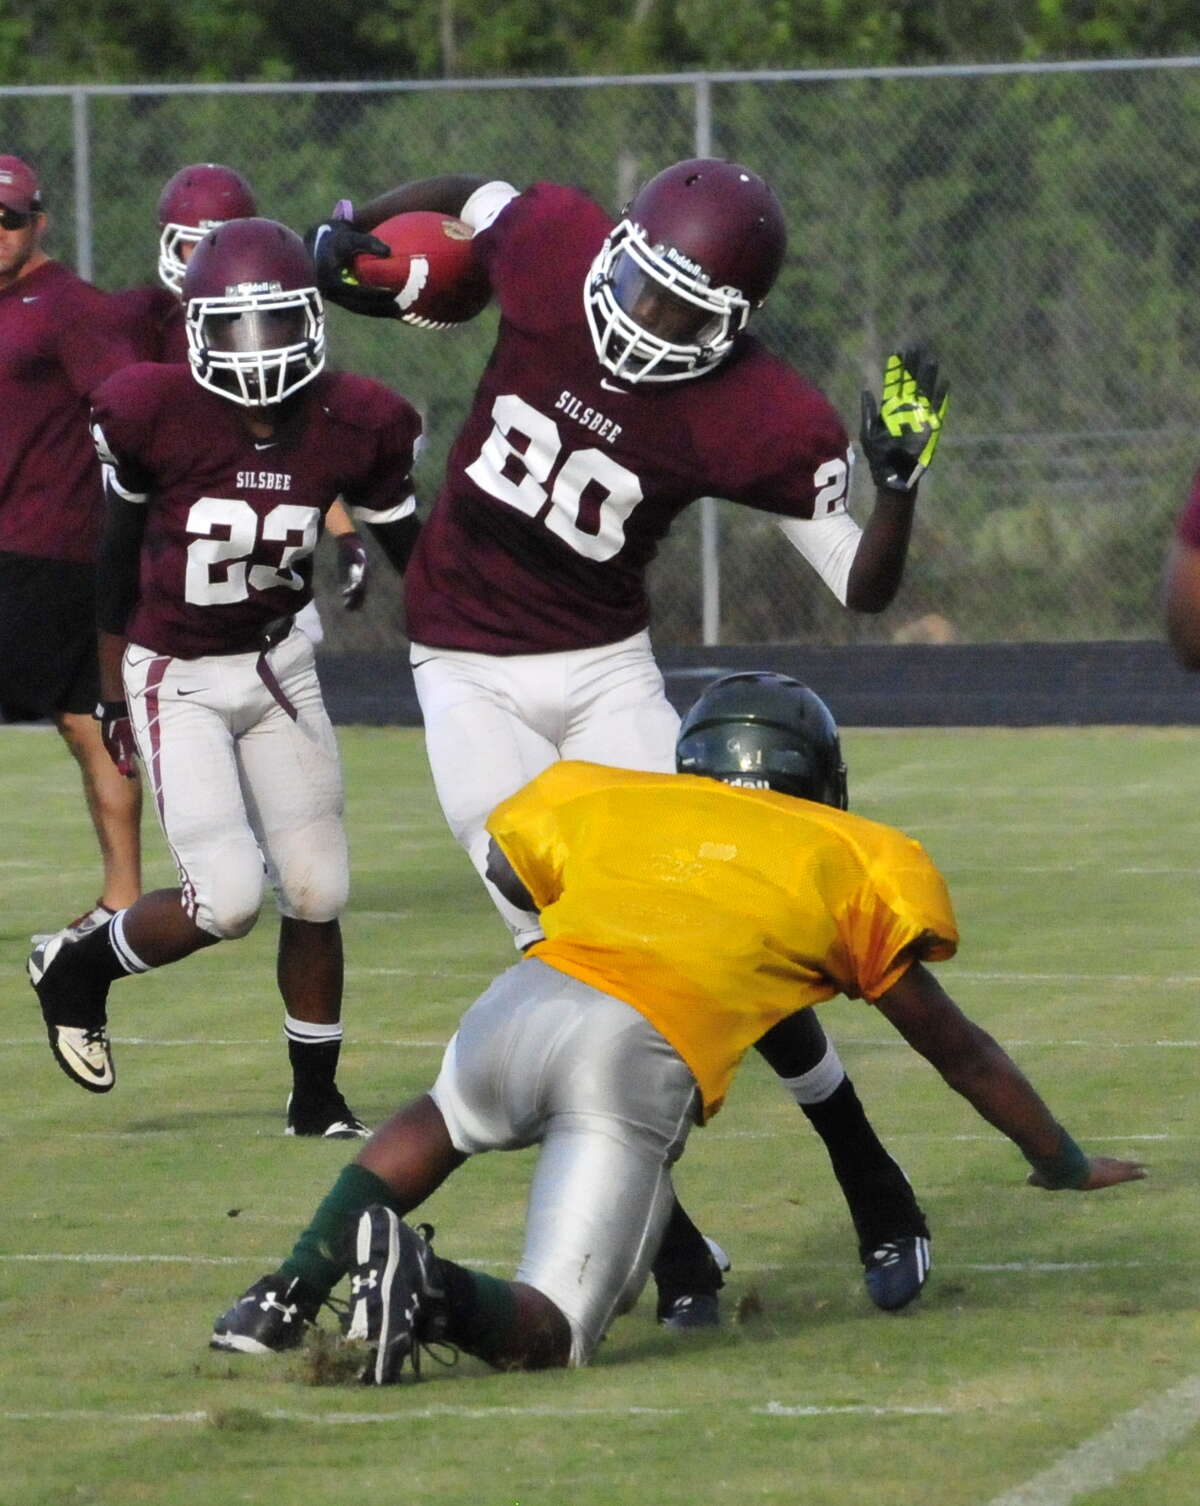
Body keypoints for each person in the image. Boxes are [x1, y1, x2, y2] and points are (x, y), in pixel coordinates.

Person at [303, 159, 951, 1318]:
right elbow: (471, 189)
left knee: (722, 915)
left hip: (604, 671)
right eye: (642, 286)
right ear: (616, 251)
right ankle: (680, 1252)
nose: (646, 324)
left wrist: (897, 487)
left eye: (684, 312)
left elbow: (860, 583)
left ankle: (871, 1178)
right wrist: (356, 222)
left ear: (735, 325)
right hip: (462, 665)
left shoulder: (759, 410)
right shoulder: (553, 242)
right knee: (555, 955)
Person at [210, 672, 1145, 1382]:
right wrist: (1060, 1159)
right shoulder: (848, 856)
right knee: (561, 1327)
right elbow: (958, 1050)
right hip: (631, 1054)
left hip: (522, 1002)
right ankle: (433, 1290)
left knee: (445, 1113)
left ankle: (281, 1292)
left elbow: (509, 872)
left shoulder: (612, 797)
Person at [26, 217, 421, 1137]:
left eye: (278, 324)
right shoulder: (149, 409)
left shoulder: (356, 418)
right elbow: (115, 556)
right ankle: (81, 968)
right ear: (196, 329)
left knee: (318, 889)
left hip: (279, 663)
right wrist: (112, 687)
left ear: (312, 323)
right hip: (180, 673)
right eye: (237, 328)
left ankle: (315, 1095)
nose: (258, 351)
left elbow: (419, 554)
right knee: (229, 899)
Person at [112, 162, 375, 633]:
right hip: (172, 563)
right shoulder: (144, 328)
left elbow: (300, 447)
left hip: (264, 554)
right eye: (193, 243)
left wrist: (345, 532)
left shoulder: (271, 338)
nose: (200, 262)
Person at [0, 152, 144, 942]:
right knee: (85, 725)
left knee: (92, 723)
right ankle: (124, 894)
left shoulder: (71, 307)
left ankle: (125, 894)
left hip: (49, 552)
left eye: (10, 218)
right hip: (15, 552)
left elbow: (126, 404)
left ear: (40, 221)